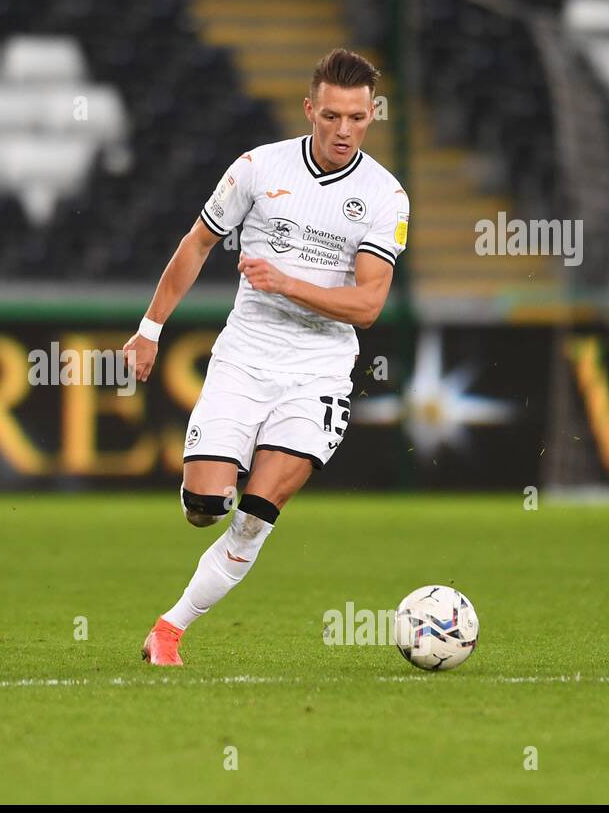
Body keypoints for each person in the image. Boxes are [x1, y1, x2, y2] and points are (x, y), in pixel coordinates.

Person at [124, 48, 410, 665]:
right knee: (207, 507)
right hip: (245, 357)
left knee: (256, 514)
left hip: (318, 372)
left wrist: (287, 283)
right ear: (310, 109)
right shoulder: (258, 168)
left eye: (357, 118)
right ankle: (211, 483)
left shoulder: (385, 196)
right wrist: (150, 328)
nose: (344, 130)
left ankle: (168, 631)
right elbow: (198, 242)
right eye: (332, 115)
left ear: (371, 117)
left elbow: (366, 305)